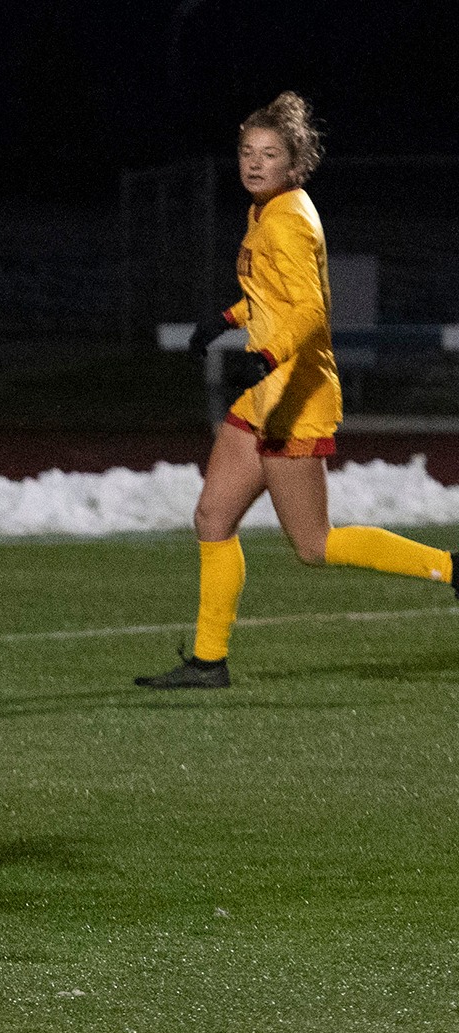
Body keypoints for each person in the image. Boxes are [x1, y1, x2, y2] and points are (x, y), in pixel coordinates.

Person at [136, 93, 453, 689]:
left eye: (269, 155)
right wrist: (227, 321)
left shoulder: (287, 219)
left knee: (313, 544)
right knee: (212, 517)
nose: (253, 164)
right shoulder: (265, 209)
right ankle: (208, 661)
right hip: (262, 395)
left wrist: (265, 353)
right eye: (246, 152)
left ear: (294, 164)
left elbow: (308, 311)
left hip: (295, 398)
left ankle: (450, 568)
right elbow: (270, 295)